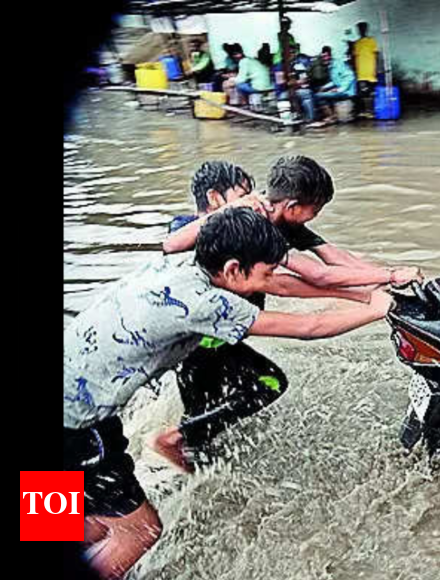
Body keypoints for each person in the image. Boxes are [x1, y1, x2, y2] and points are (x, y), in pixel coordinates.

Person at [64, 207, 394, 579]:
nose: (269, 281)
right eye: (264, 272)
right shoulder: (204, 304)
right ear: (234, 268)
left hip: (71, 397)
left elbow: (281, 284)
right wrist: (378, 310)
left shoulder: (185, 265)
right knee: (139, 531)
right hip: (78, 425)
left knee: (77, 524)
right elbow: (309, 326)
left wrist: (362, 294)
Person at [152, 161, 379, 472]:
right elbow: (170, 244)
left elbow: (328, 264)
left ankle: (186, 466)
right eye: (245, 194)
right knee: (251, 392)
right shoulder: (194, 230)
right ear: (216, 198)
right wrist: (377, 288)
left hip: (220, 336)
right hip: (201, 341)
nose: (256, 201)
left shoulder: (260, 229)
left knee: (211, 415)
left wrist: (379, 281)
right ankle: (177, 450)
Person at [164, 155, 422, 310]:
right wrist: (388, 276)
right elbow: (318, 276)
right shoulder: (250, 221)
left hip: (235, 309)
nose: (316, 215)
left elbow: (336, 258)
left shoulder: (285, 220)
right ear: (293, 207)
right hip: (202, 305)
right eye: (316, 209)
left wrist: (388, 278)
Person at [310, 46, 356, 124]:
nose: (324, 58)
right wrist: (324, 87)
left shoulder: (339, 64)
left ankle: (331, 117)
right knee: (319, 93)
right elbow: (335, 81)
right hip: (341, 90)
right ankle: (332, 115)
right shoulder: (331, 66)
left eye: (326, 56)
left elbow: (350, 76)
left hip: (347, 92)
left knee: (318, 96)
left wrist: (339, 89)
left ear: (330, 56)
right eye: (323, 57)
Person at [352, 22, 381, 111]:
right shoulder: (356, 43)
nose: (361, 31)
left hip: (371, 71)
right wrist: (355, 70)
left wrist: (377, 68)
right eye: (360, 29)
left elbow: (376, 55)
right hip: (361, 73)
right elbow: (354, 57)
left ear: (366, 29)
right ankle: (366, 111)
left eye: (363, 29)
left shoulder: (371, 41)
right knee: (363, 93)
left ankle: (372, 111)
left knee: (372, 92)